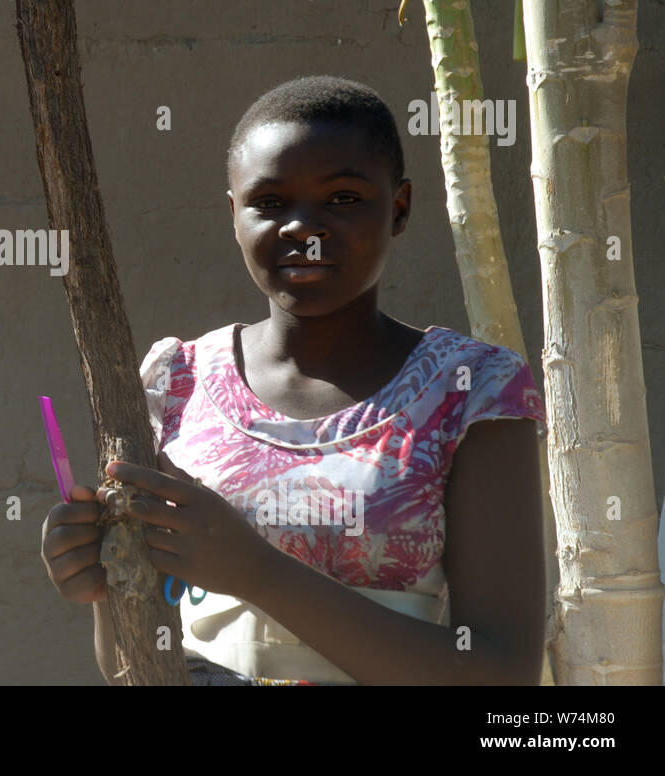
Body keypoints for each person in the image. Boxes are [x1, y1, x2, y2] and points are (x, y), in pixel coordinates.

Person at [40, 75, 548, 685]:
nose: (303, 229)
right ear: (234, 216)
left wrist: (256, 572)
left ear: (401, 208)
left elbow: (500, 676)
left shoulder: (472, 391)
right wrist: (103, 580)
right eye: (270, 203)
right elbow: (135, 660)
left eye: (342, 199)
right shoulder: (176, 380)